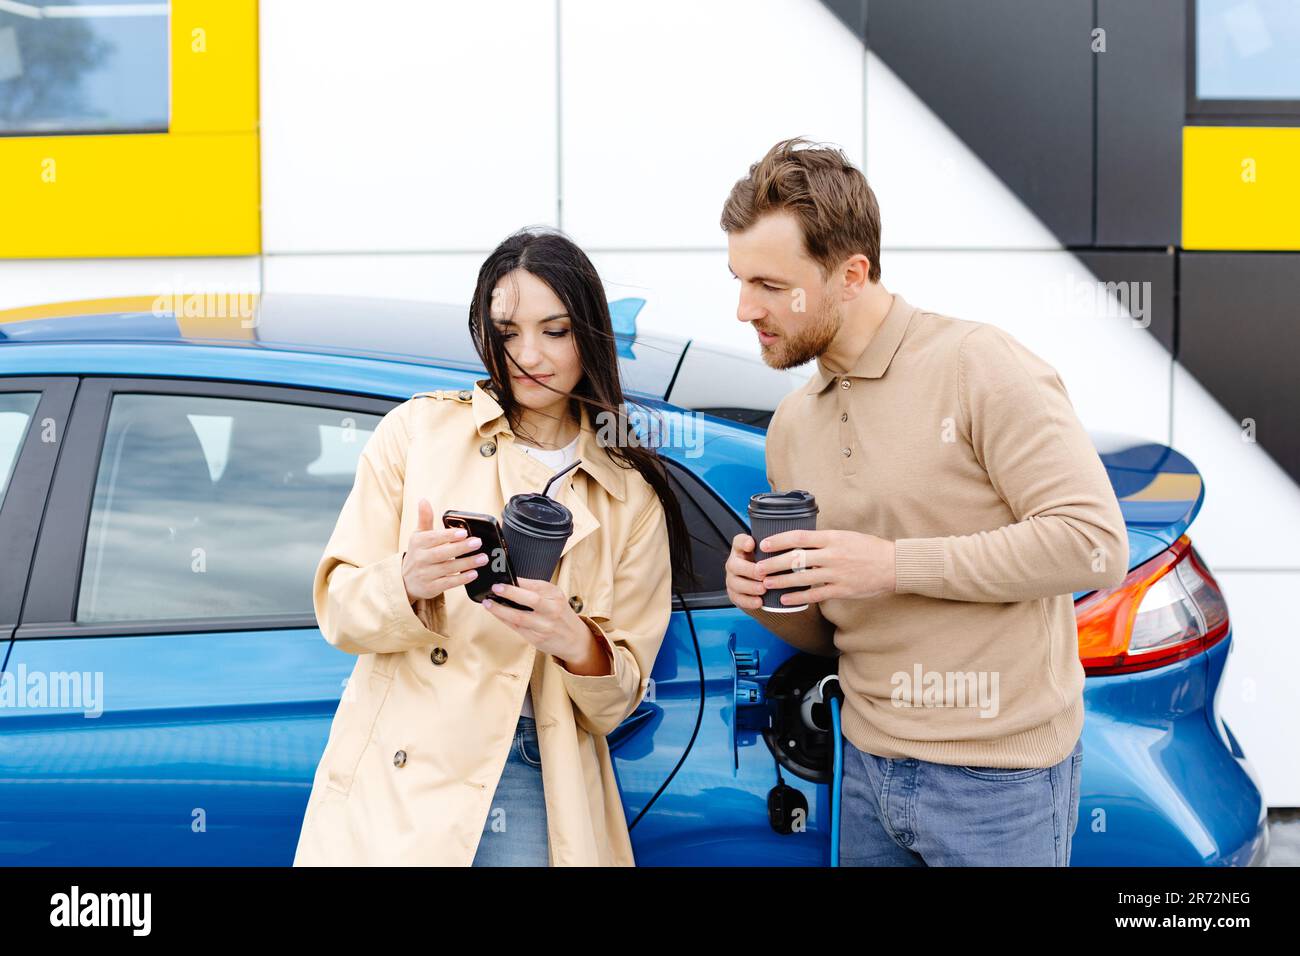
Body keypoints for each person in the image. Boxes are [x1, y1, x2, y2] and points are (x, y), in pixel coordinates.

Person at [721, 138, 1128, 866]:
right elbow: (836, 625)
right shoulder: (793, 425)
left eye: (771, 285)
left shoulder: (978, 365)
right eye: (740, 280)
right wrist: (761, 596)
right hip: (865, 770)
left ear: (851, 275)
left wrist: (892, 564)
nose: (745, 308)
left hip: (998, 786)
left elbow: (1093, 544)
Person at [294, 227, 694, 866]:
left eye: (555, 331)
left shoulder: (630, 495)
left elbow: (621, 699)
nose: (528, 355)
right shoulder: (418, 432)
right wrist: (407, 580)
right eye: (507, 332)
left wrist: (575, 640)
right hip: (405, 769)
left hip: (534, 769)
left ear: (588, 334)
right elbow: (339, 609)